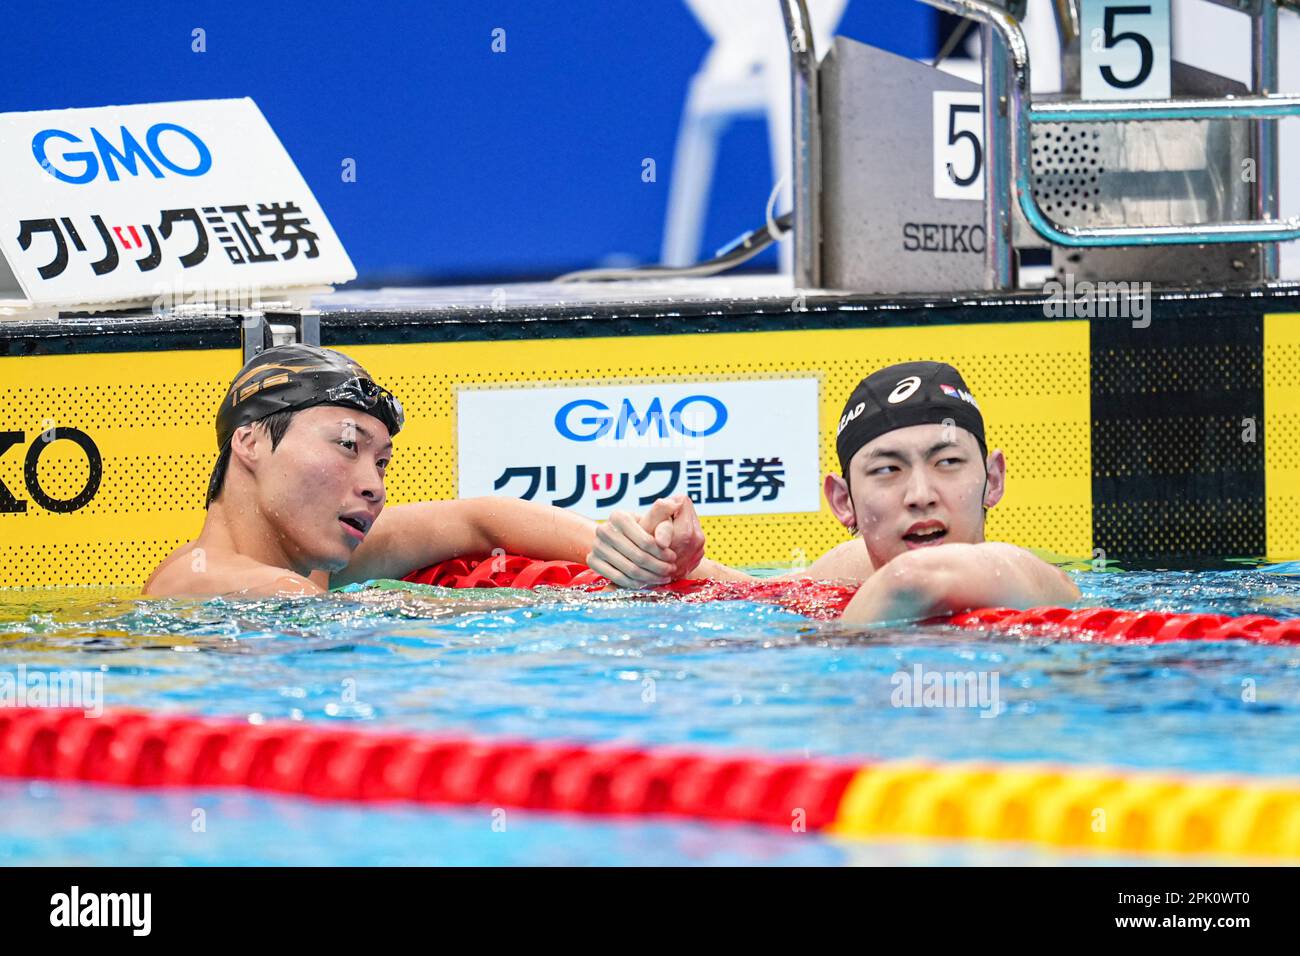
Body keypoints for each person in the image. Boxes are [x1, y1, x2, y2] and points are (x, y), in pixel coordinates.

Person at [144, 345, 704, 598]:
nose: (373, 485)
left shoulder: (302, 559)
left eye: (381, 463)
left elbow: (479, 520)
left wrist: (641, 555)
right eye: (346, 445)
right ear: (249, 443)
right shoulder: (217, 582)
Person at [587, 361, 1080, 625]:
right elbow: (745, 592)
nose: (921, 494)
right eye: (887, 469)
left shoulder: (1023, 575)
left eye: (947, 462)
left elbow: (915, 580)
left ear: (994, 479)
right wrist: (655, 562)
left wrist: (828, 649)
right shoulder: (847, 574)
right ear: (843, 501)